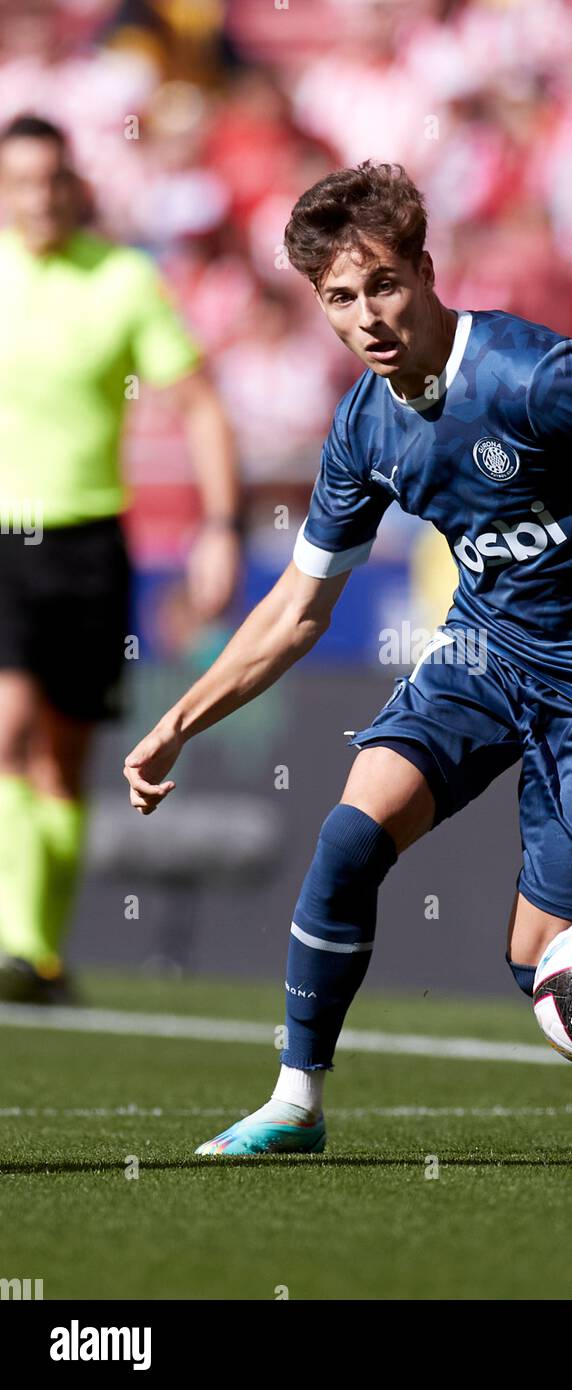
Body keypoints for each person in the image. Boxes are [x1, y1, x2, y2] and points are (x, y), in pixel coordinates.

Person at [123, 162, 572, 1154]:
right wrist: (177, 722)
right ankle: (296, 1100)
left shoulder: (531, 375)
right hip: (486, 651)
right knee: (350, 835)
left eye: (383, 285)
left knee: (538, 966)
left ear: (426, 270)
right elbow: (297, 608)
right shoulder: (362, 427)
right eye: (339, 298)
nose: (366, 317)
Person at [0, 114, 241, 1002]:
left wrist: (221, 526)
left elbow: (202, 406)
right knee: (7, 729)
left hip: (91, 542)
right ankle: (15, 941)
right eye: (20, 181)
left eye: (52, 179)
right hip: (3, 539)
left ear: (76, 185)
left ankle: (41, 956)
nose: (38, 197)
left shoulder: (124, 280)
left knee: (62, 758)